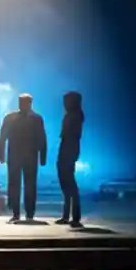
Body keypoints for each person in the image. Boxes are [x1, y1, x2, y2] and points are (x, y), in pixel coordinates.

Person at [0, 93, 47, 222]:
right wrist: (1, 154)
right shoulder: (11, 118)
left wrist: (42, 157)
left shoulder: (36, 119)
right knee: (15, 184)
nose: (22, 104)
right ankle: (16, 212)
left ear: (30, 103)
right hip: (18, 156)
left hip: (28, 156)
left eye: (25, 102)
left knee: (29, 185)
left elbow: (42, 138)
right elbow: (2, 137)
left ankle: (29, 213)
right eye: (21, 102)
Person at [56, 91, 85, 227]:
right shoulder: (75, 116)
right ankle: (69, 215)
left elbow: (69, 137)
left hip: (68, 152)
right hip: (69, 151)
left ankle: (73, 216)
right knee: (68, 185)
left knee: (69, 185)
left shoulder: (72, 117)